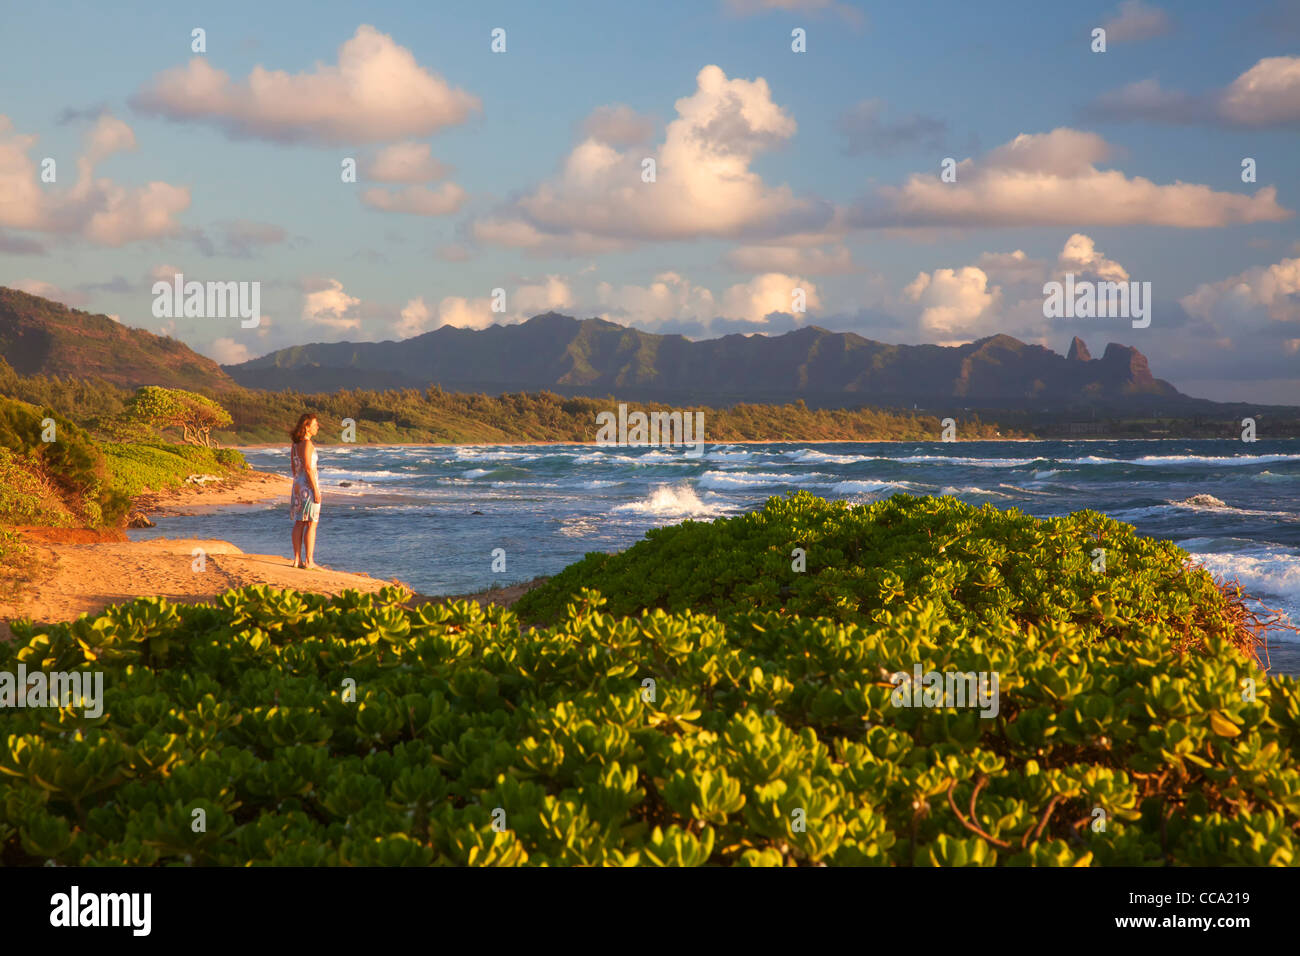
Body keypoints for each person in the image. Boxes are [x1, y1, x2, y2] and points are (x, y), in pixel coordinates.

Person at [289, 413, 322, 569]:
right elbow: (309, 468)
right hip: (308, 485)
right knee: (311, 522)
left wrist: (299, 483)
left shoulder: (295, 445)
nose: (317, 427)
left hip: (297, 485)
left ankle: (297, 560)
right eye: (315, 424)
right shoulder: (308, 444)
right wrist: (315, 489)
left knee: (299, 522)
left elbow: (294, 468)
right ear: (307, 427)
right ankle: (309, 561)